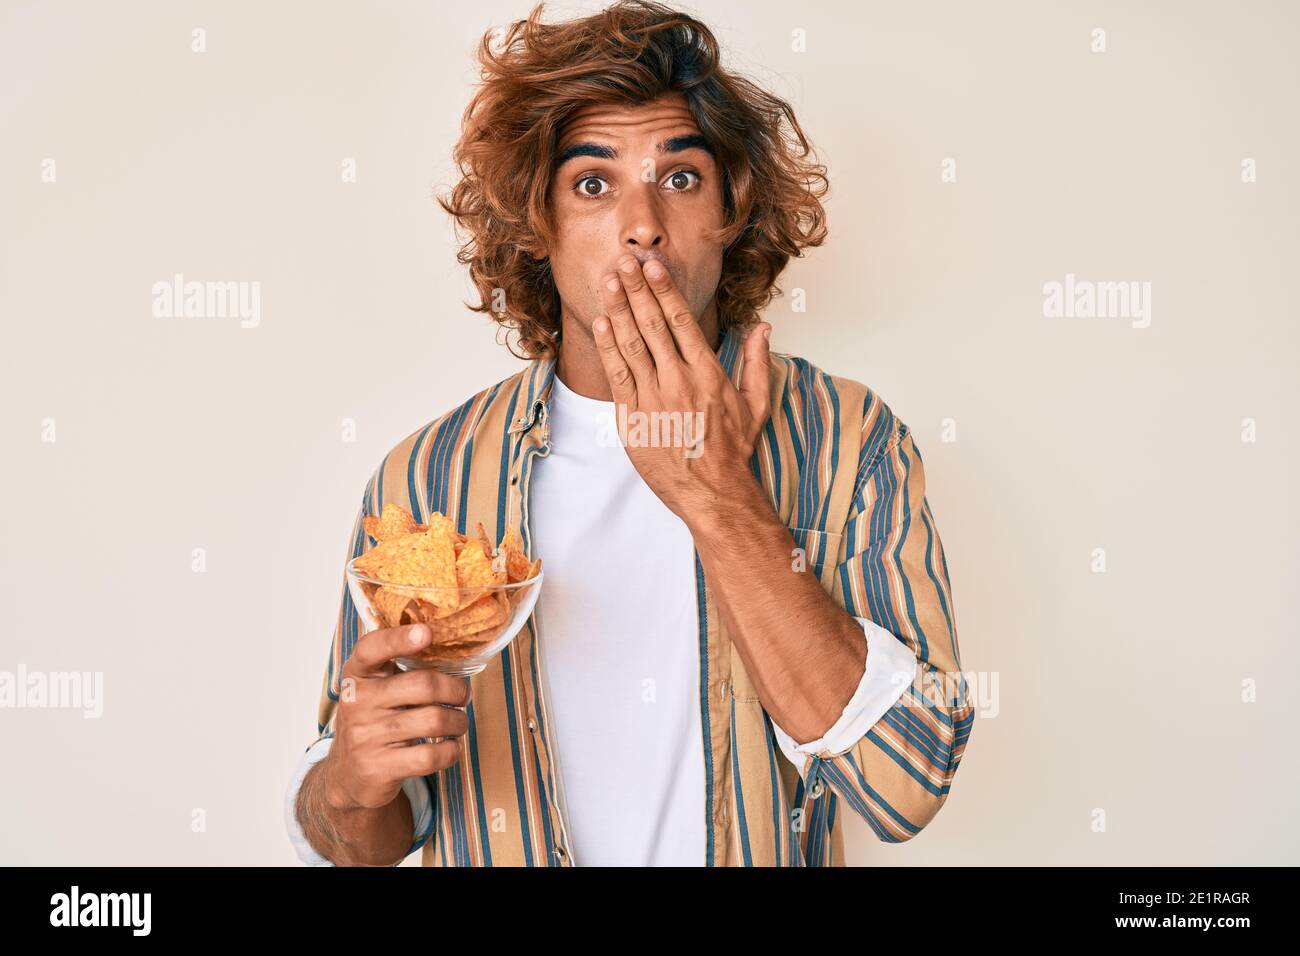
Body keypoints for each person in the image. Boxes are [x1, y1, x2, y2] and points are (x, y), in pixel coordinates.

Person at [285, 0, 972, 867]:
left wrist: (719, 497)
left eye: (681, 177)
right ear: (540, 225)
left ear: (735, 210)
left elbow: (908, 782)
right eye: (594, 183)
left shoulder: (850, 442)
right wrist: (348, 783)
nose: (642, 222)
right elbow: (358, 834)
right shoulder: (426, 477)